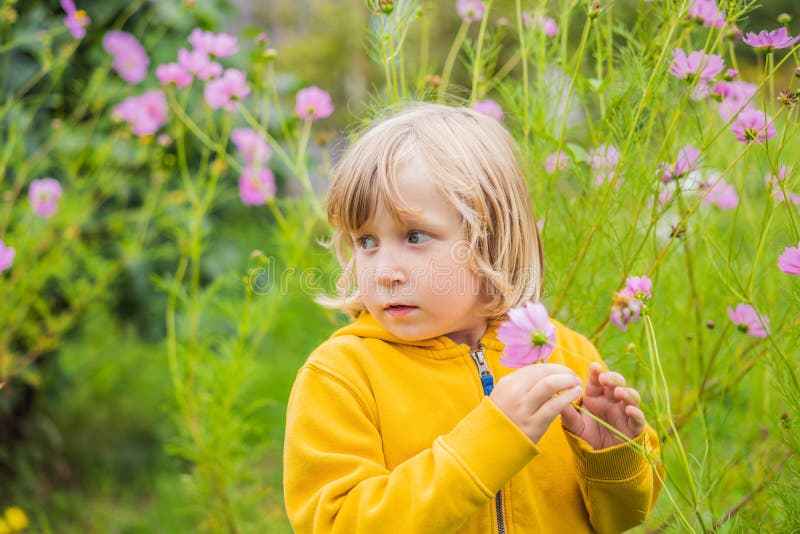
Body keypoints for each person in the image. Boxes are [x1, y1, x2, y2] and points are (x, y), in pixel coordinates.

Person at [283, 103, 663, 533]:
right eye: (366, 241)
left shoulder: (564, 356)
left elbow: (624, 521)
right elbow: (337, 525)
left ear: (492, 241)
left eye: (415, 236)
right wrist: (488, 442)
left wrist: (613, 458)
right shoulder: (342, 377)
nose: (385, 270)